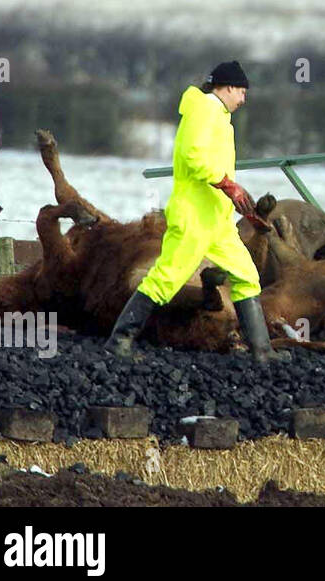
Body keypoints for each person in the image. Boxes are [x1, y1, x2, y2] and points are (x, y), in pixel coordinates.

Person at [106, 61, 288, 362]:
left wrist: (228, 191)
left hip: (217, 220)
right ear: (227, 87)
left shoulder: (219, 116)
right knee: (166, 278)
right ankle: (119, 342)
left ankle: (262, 351)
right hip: (193, 216)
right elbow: (193, 156)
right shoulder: (204, 109)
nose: (243, 99)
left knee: (246, 276)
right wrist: (227, 184)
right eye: (241, 91)